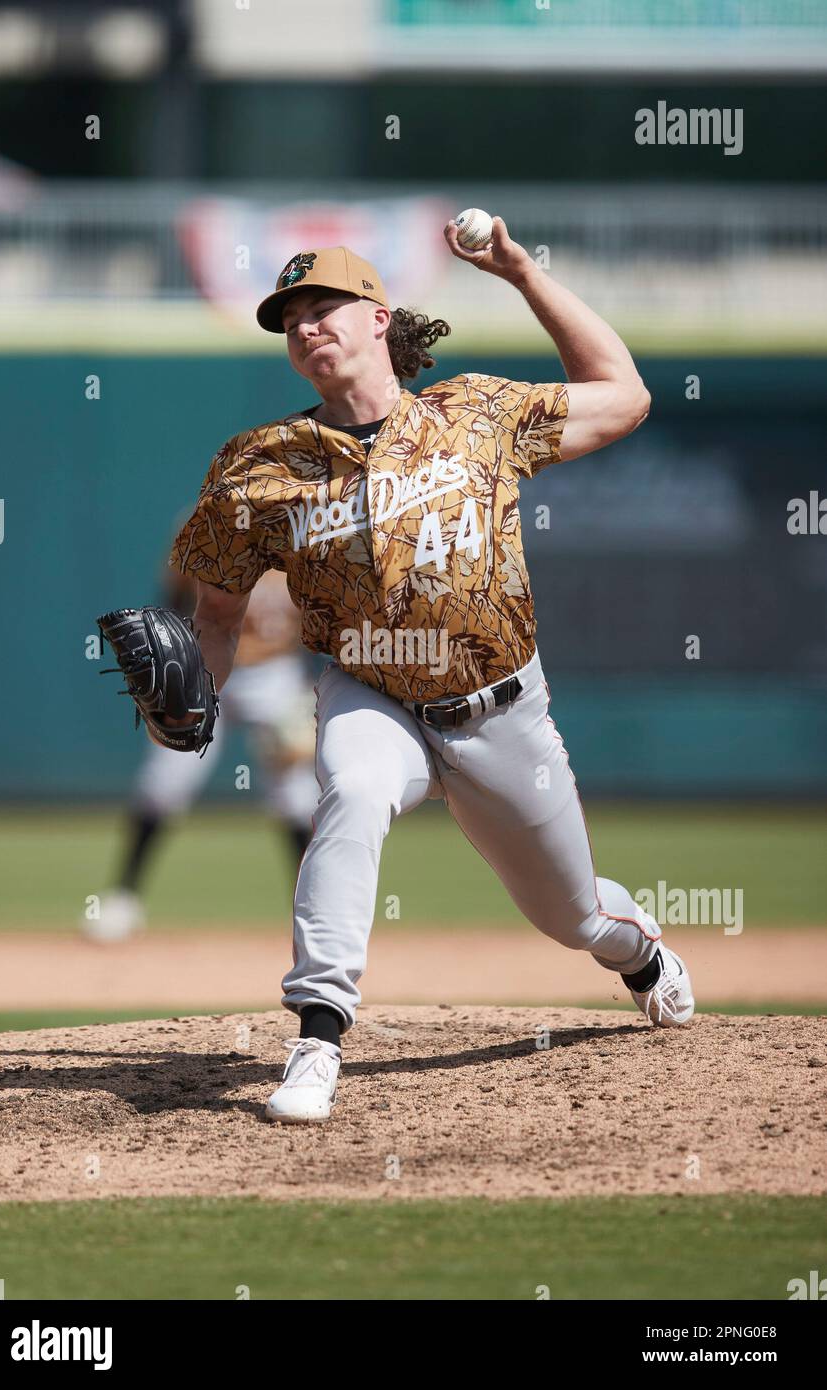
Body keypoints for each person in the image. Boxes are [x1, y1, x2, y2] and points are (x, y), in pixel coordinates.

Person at [168, 224, 695, 1124]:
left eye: (322, 306)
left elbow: (627, 396)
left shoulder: (476, 415)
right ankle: (318, 1037)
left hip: (501, 713)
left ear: (379, 318)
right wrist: (189, 698)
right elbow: (213, 619)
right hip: (368, 689)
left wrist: (522, 271)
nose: (305, 326)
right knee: (354, 789)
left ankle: (638, 956)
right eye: (289, 316)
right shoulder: (257, 467)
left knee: (572, 917)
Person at [84, 568, 317, 942]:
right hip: (206, 663)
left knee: (296, 796)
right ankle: (123, 897)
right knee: (165, 781)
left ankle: (314, 909)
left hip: (277, 673)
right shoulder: (199, 529)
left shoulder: (292, 531)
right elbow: (172, 601)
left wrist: (309, 680)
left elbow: (320, 615)